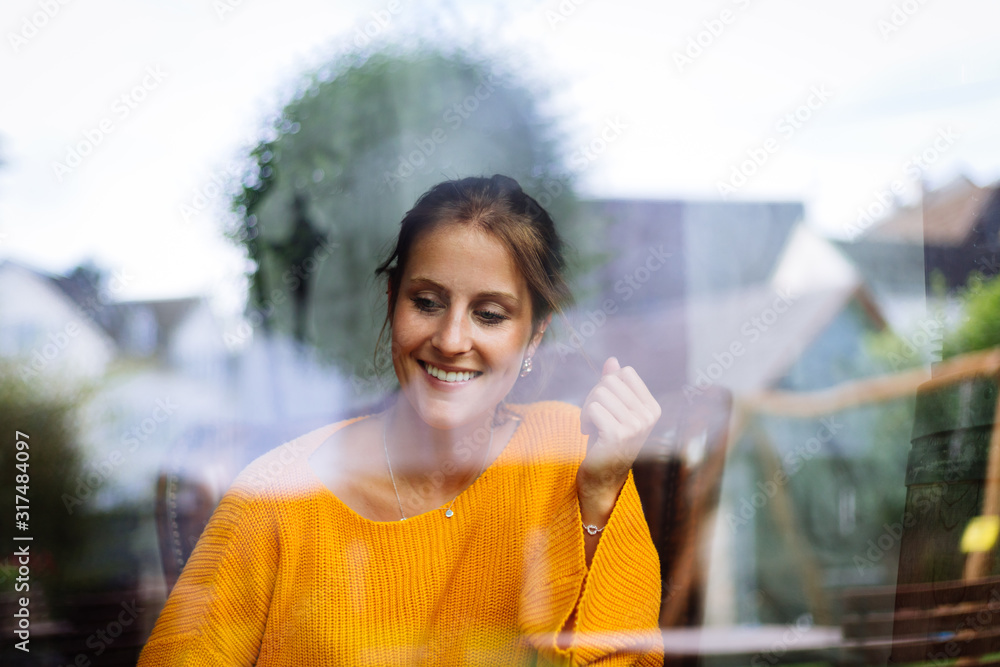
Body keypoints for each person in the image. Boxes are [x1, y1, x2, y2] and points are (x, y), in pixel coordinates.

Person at [138, 175, 665, 666]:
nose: (452, 340)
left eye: (490, 314)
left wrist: (598, 499)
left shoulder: (573, 451)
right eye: (428, 302)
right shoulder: (275, 496)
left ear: (536, 334)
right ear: (393, 302)